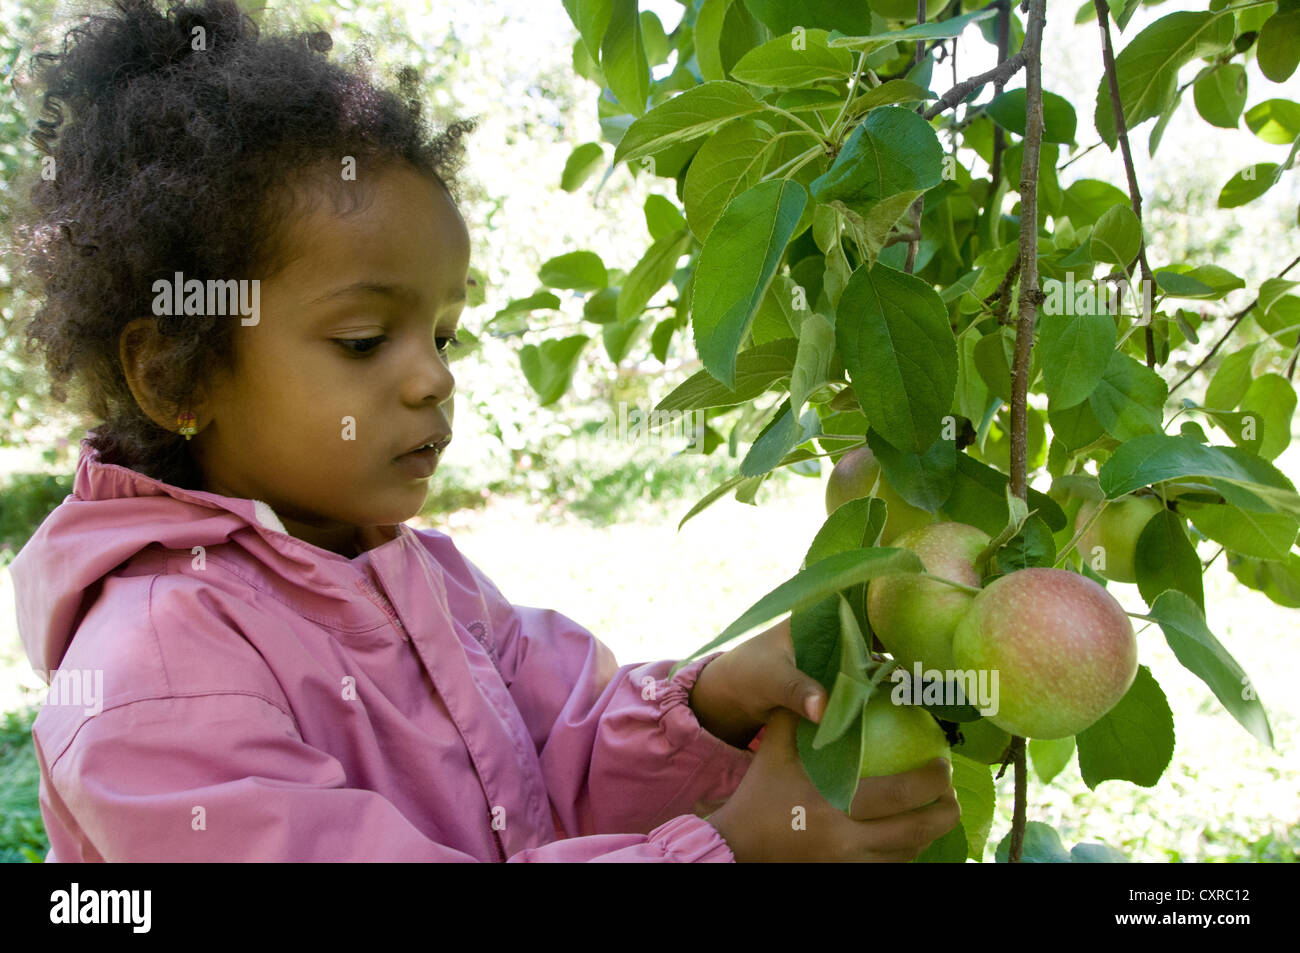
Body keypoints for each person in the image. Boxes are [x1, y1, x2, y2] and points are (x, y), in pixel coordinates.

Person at [6, 0, 959, 862]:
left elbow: (557, 767)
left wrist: (708, 706)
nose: (433, 375)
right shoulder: (157, 678)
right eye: (364, 338)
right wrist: (727, 852)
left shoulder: (432, 582)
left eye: (444, 332)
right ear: (176, 368)